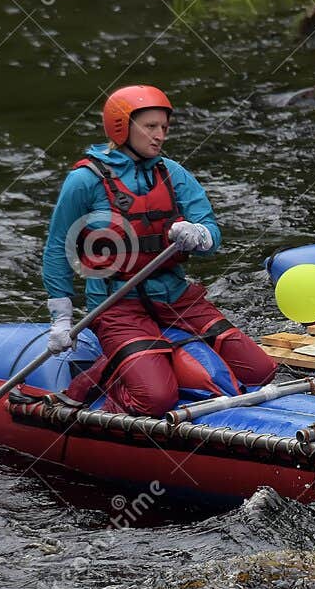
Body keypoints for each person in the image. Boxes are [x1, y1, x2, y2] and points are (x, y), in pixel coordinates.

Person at [42, 85, 276, 414]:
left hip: (175, 296)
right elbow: (56, 248)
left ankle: (128, 361)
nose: (160, 135)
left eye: (164, 127)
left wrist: (199, 235)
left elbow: (211, 231)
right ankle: (97, 395)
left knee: (260, 370)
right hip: (117, 306)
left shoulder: (172, 172)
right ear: (121, 127)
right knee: (155, 398)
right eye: (150, 126)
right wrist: (61, 318)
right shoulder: (84, 181)